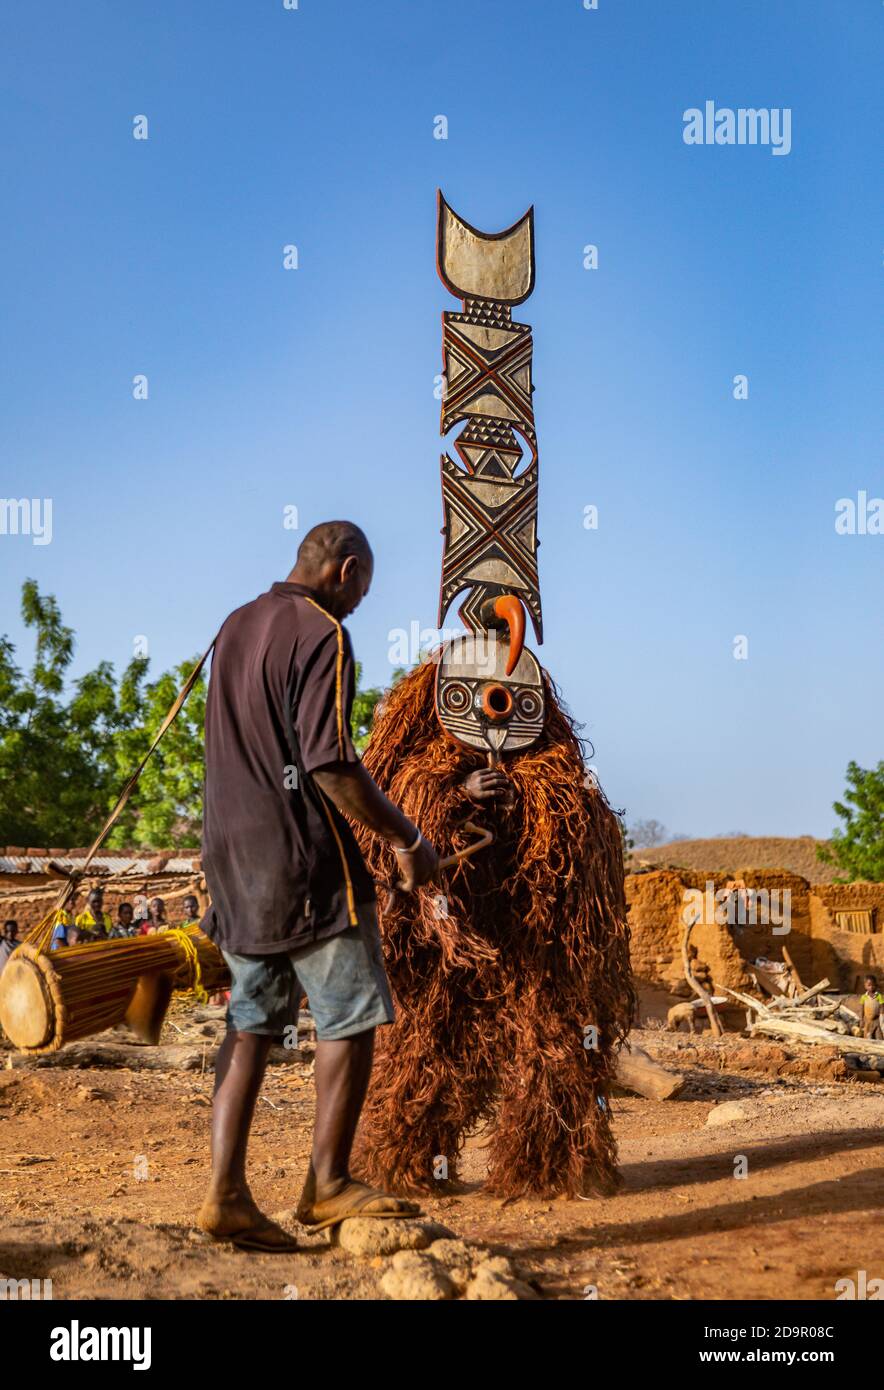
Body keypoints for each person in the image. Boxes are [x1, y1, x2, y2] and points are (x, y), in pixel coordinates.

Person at [196, 520, 438, 1252]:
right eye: (363, 587)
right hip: (303, 863)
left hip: (233, 864)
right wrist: (408, 838)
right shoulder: (321, 632)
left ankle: (225, 1194)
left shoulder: (235, 626)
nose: (362, 602)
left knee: (251, 1022)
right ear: (347, 569)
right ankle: (327, 1183)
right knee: (349, 1013)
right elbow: (329, 763)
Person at [859, 975, 884, 1040]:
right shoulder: (863, 997)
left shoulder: (879, 996)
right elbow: (861, 1009)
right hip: (868, 1021)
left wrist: (882, 1018)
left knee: (879, 1037)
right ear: (865, 986)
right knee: (868, 1037)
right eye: (869, 985)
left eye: (873, 985)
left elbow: (882, 1007)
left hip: (877, 1021)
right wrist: (861, 1020)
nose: (871, 987)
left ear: (876, 985)